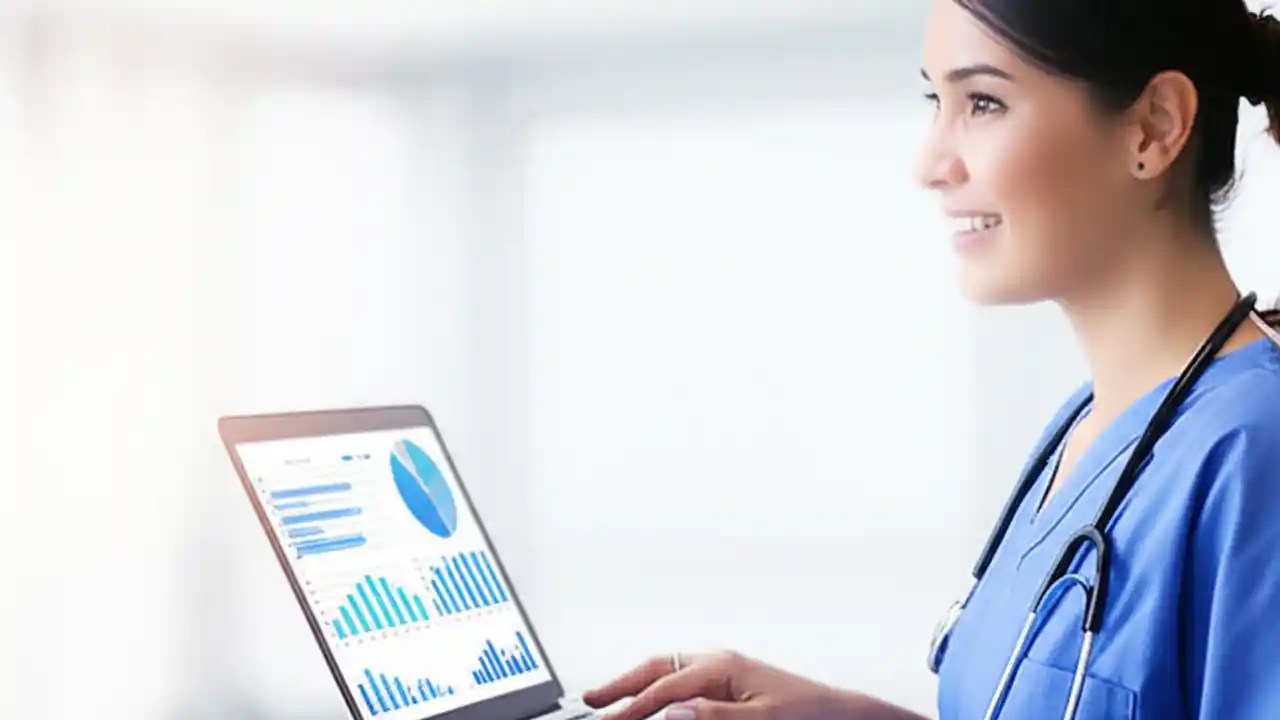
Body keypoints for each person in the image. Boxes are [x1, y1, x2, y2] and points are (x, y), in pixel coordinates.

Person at [581, 1, 1280, 718]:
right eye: (934, 100)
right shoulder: (1087, 429)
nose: (930, 164)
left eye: (983, 102)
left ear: (1154, 125)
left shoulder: (1255, 451)